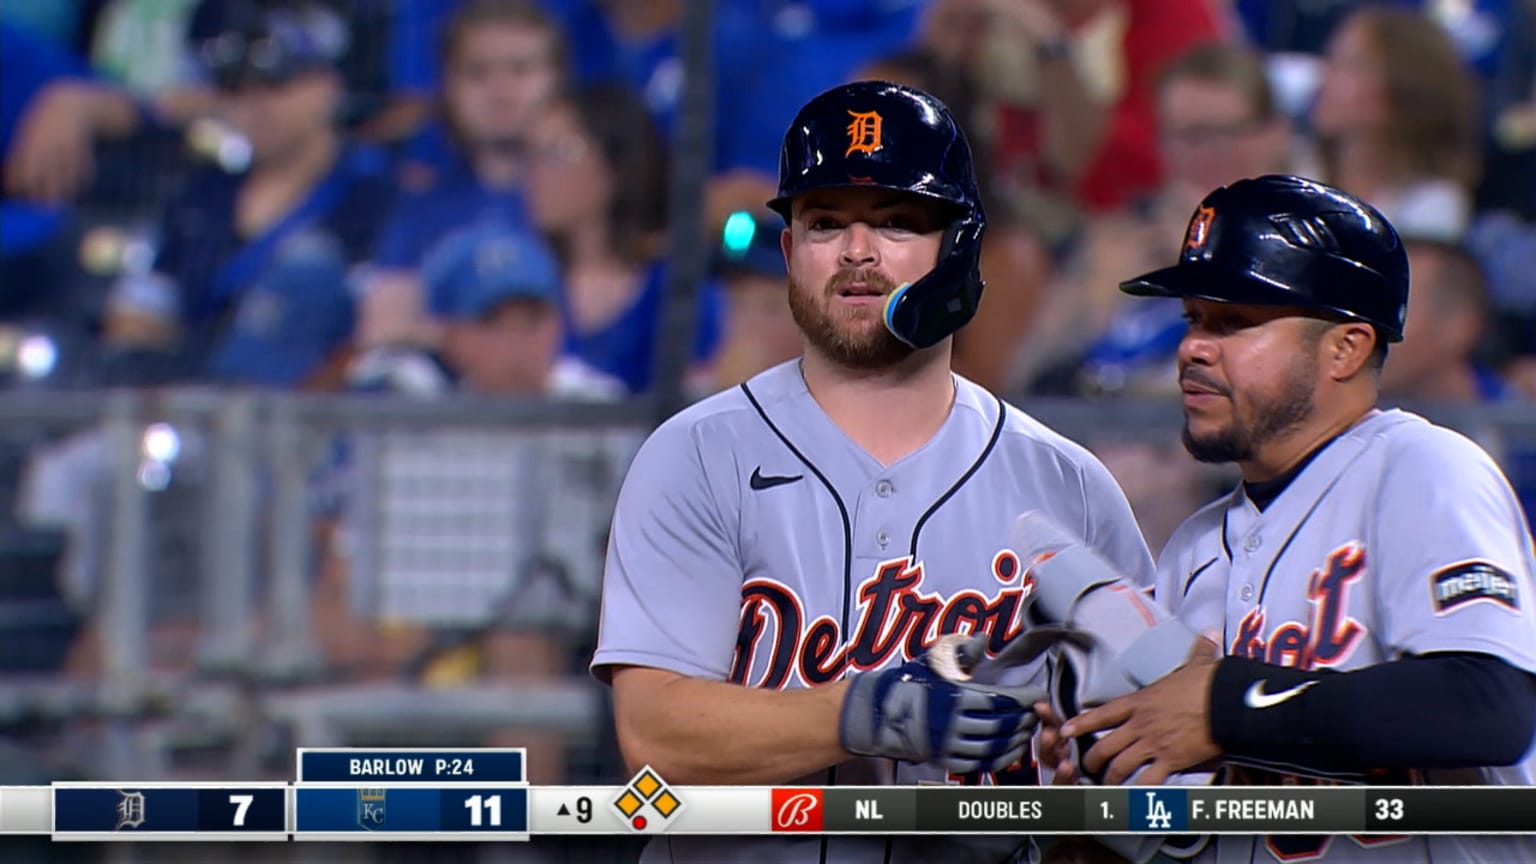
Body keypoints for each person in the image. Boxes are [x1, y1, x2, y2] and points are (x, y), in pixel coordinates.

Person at [590, 80, 1154, 864]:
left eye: (895, 223)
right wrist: (870, 712)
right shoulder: (696, 457)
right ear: (790, 252)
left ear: (958, 249)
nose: (857, 252)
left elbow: (1138, 760)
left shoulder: (1069, 485)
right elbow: (657, 739)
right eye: (825, 224)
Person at [1045, 175, 1536, 863]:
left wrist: (1228, 706)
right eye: (1193, 317)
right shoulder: (1192, 552)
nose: (1192, 347)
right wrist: (1097, 793)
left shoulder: (1422, 470)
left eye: (1235, 322)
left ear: (1347, 347)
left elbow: (1488, 705)